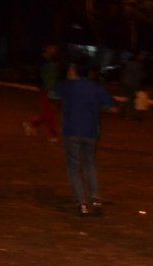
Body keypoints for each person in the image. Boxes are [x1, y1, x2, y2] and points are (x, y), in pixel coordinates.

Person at [53, 61, 116, 217]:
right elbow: (111, 106)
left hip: (72, 130)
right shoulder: (96, 88)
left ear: (73, 70)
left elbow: (52, 94)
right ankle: (96, 200)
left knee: (74, 167)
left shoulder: (67, 86)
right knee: (89, 165)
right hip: (91, 132)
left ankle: (82, 204)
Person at [23, 44, 60, 142]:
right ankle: (52, 134)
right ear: (46, 48)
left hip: (52, 89)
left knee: (50, 111)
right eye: (52, 48)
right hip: (45, 89)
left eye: (54, 48)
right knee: (49, 111)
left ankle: (32, 123)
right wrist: (42, 86)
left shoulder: (52, 61)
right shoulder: (41, 61)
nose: (54, 50)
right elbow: (37, 75)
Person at [120, 52, 145, 120]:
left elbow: (124, 73)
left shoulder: (128, 63)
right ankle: (128, 115)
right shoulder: (138, 65)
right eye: (141, 56)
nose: (143, 57)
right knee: (131, 99)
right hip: (133, 84)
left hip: (126, 83)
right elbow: (138, 77)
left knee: (128, 98)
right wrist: (138, 86)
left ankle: (123, 112)